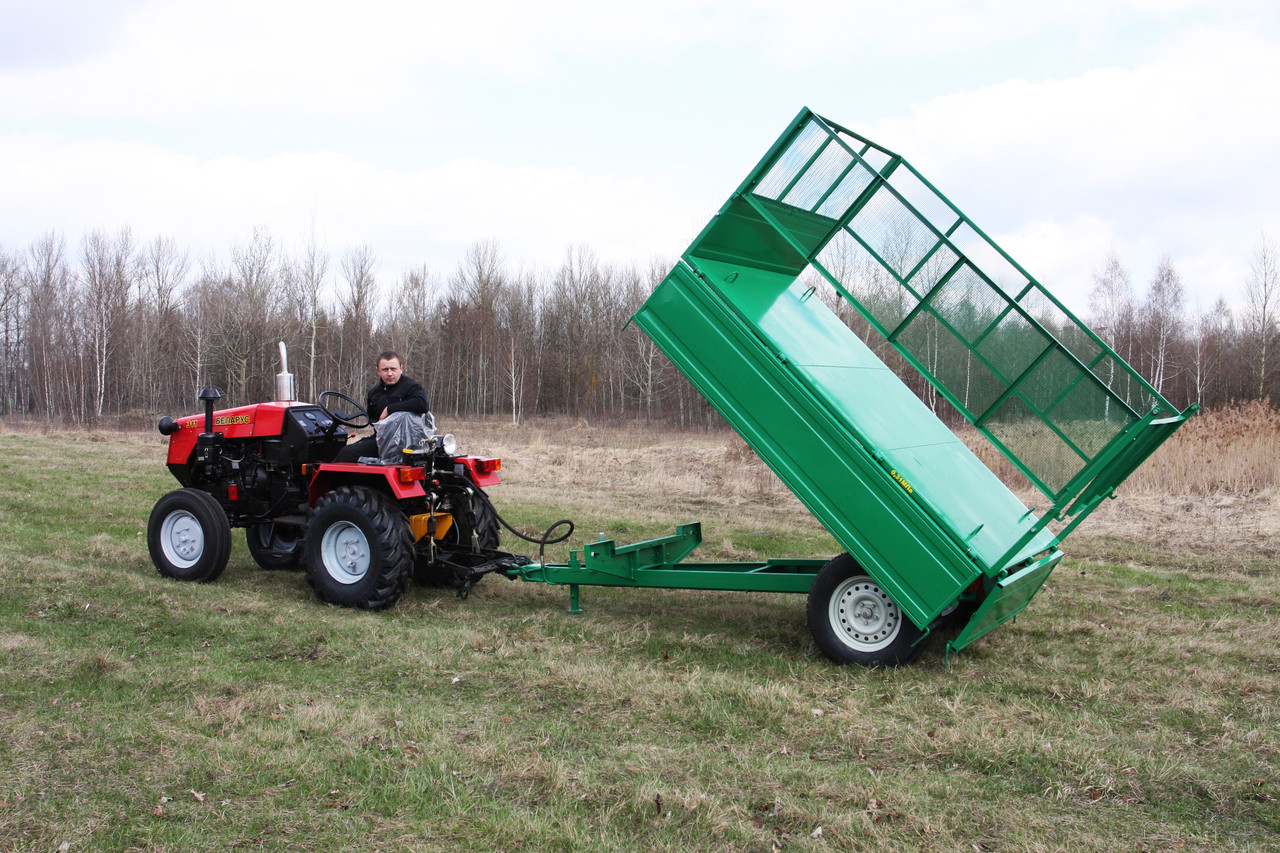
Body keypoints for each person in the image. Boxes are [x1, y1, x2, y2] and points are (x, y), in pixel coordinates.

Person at [333, 351, 430, 463]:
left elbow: (422, 404)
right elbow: (372, 419)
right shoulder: (374, 392)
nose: (389, 374)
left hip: (406, 441)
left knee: (347, 453)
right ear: (378, 371)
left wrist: (390, 409)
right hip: (381, 439)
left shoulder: (411, 387)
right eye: (385, 370)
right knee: (345, 451)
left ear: (401, 369)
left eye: (393, 369)